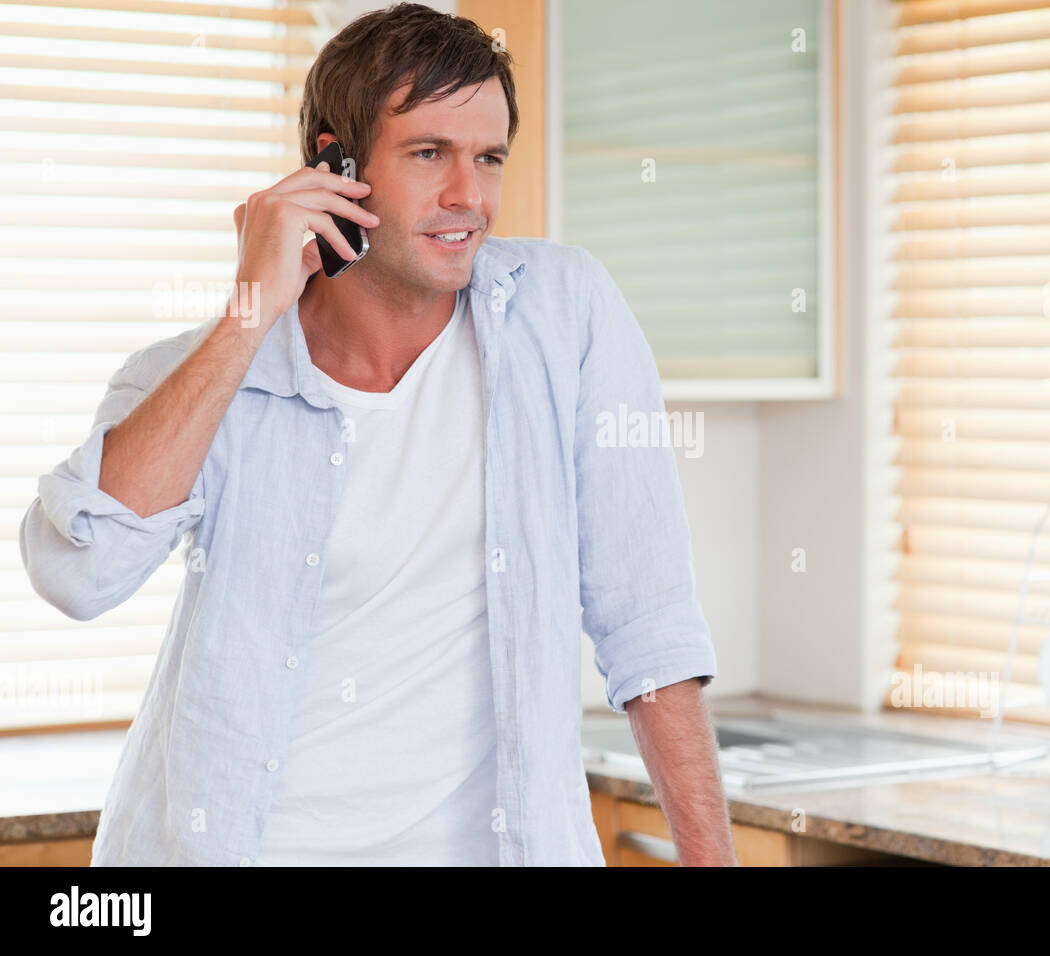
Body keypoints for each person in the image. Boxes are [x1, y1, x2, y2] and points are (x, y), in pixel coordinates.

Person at [20, 3, 735, 867]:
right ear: (334, 162)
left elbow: (647, 621)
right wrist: (250, 314)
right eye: (429, 154)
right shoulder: (203, 373)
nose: (469, 197)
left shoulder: (566, 317)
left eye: (489, 158)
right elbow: (76, 571)